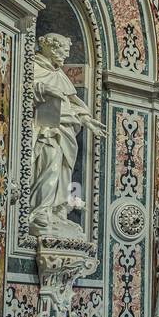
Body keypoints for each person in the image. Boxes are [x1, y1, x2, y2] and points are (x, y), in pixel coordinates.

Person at [30, 33, 104, 236]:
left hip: (65, 131)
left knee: (63, 171)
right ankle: (40, 212)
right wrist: (44, 88)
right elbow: (22, 88)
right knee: (50, 168)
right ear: (51, 49)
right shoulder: (33, 67)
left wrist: (87, 120)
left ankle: (57, 212)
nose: (66, 56)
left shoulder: (60, 74)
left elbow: (72, 103)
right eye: (63, 51)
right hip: (46, 130)